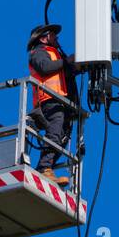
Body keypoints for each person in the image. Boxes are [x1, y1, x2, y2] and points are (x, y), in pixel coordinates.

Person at [27, 24, 76, 186]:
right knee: (54, 133)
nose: (57, 38)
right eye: (53, 35)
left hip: (60, 101)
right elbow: (45, 68)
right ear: (43, 38)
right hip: (49, 100)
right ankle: (44, 168)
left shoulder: (55, 55)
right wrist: (66, 61)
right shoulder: (39, 52)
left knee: (62, 137)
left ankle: (46, 168)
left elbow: (65, 73)